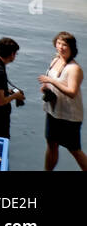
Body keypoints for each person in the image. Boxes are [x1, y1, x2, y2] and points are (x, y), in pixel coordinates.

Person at [40, 32, 87, 171]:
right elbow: (51, 81)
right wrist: (46, 87)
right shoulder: (55, 60)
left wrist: (51, 81)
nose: (61, 47)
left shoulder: (74, 69)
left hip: (69, 117)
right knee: (51, 144)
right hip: (53, 111)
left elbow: (72, 92)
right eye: (59, 43)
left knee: (74, 150)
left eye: (65, 45)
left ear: (71, 47)